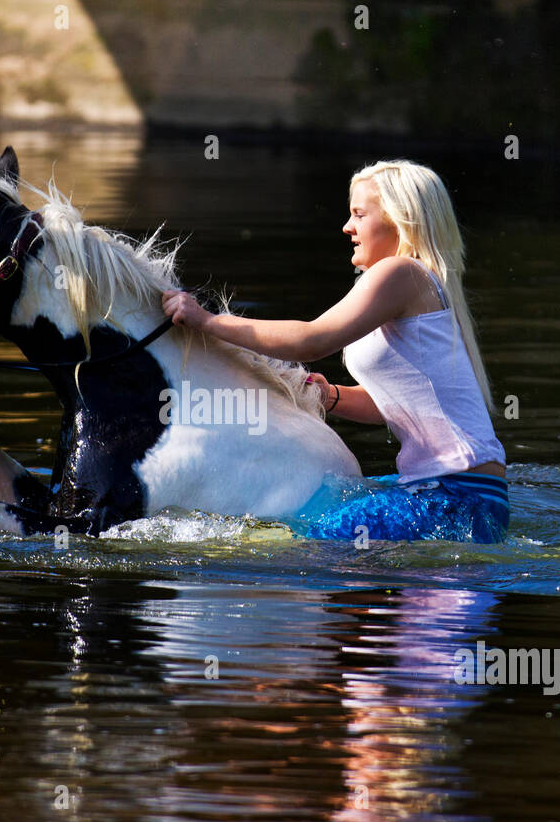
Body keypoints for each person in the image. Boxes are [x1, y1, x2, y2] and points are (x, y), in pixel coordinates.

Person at [161, 159, 508, 543]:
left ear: (400, 219)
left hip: (456, 496)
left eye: (359, 214)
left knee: (309, 541)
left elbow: (313, 339)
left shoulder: (400, 273)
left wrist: (206, 322)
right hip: (465, 492)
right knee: (314, 502)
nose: (347, 227)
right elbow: (398, 403)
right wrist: (331, 396)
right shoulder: (416, 282)